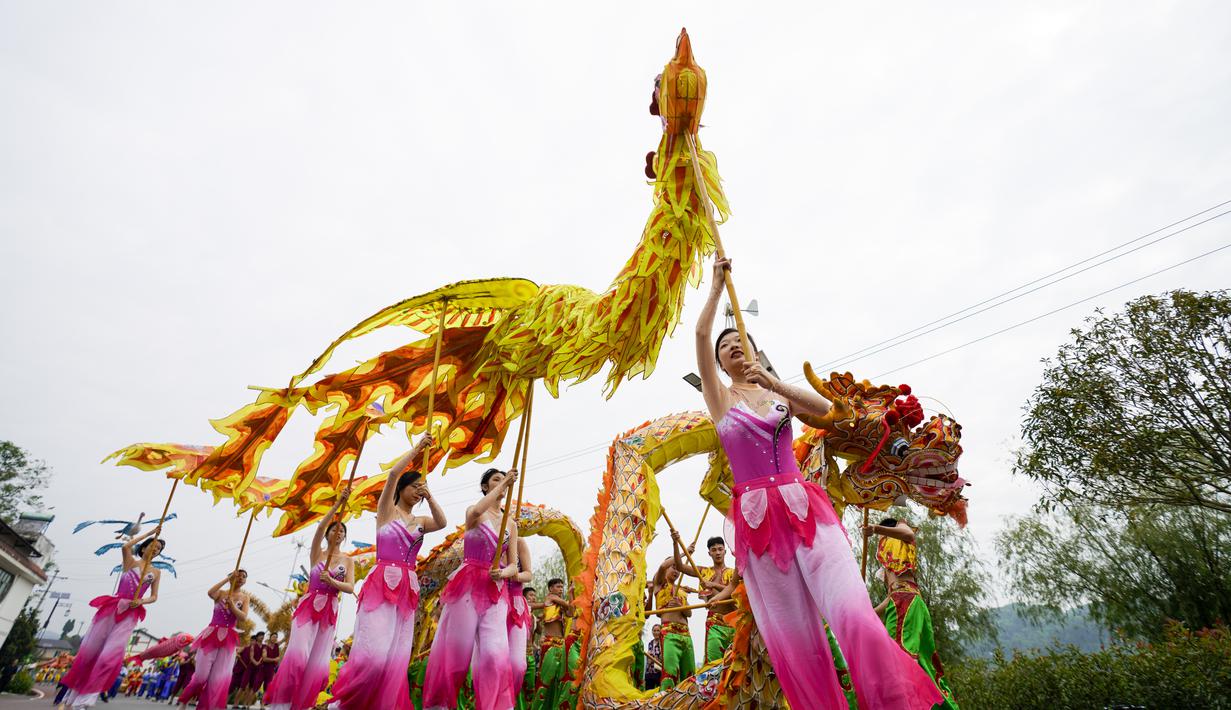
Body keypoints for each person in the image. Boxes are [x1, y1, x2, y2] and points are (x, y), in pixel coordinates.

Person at [695, 256, 943, 709]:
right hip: (759, 524)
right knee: (797, 643)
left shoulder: (775, 392)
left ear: (752, 351)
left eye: (740, 340)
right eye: (725, 344)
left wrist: (776, 383)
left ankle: (892, 701)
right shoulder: (720, 399)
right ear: (718, 361)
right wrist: (714, 288)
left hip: (805, 510)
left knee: (855, 615)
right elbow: (699, 336)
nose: (732, 345)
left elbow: (826, 413)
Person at [330, 435, 445, 710]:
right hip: (383, 583)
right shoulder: (387, 512)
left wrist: (430, 497)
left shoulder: (420, 522)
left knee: (396, 656)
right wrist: (417, 449)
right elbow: (393, 474)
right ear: (403, 488)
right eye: (415, 486)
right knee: (375, 652)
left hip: (408, 588)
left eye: (422, 487)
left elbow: (442, 522)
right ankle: (346, 703)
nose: (418, 491)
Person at [422, 467, 521, 710]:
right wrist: (505, 482)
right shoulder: (475, 512)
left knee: (494, 653)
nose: (502, 483)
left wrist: (503, 572)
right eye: (495, 480)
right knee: (457, 652)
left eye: (504, 479)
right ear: (486, 487)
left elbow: (514, 565)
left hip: (495, 590)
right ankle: (440, 705)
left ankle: (496, 706)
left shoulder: (511, 523)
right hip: (467, 586)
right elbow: (477, 509)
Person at [265, 488, 356, 710]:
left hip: (329, 612)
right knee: (298, 656)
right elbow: (320, 527)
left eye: (342, 530)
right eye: (334, 529)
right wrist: (337, 504)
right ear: (328, 534)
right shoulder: (317, 554)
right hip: (308, 609)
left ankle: (302, 704)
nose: (338, 532)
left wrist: (332, 581)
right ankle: (282, 703)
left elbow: (350, 587)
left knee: (317, 663)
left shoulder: (348, 560)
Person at [57, 527, 163, 709]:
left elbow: (154, 596)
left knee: (108, 658)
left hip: (130, 614)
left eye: (159, 549)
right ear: (144, 547)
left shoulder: (157, 572)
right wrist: (151, 533)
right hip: (111, 609)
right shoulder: (130, 562)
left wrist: (142, 600)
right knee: (91, 652)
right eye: (152, 545)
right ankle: (73, 694)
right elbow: (126, 546)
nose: (155, 549)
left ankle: (86, 699)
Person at [868, 518, 960, 710]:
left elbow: (909, 534)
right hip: (905, 601)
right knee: (920, 662)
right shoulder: (890, 563)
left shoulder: (900, 527)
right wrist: (867, 614)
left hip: (906, 603)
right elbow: (893, 596)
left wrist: (875, 528)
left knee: (898, 658)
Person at [177, 569, 250, 710]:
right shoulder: (221, 593)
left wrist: (233, 605)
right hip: (211, 634)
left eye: (243, 577)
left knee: (217, 679)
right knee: (201, 676)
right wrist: (227, 579)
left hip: (228, 638)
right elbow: (210, 593)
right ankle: (184, 700)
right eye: (238, 576)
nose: (240, 578)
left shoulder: (245, 597)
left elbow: (243, 617)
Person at [669, 533, 736, 662]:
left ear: (725, 551)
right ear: (709, 553)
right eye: (714, 550)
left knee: (734, 665)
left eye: (720, 549)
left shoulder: (733, 573)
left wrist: (713, 585)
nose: (717, 553)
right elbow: (680, 566)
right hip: (714, 624)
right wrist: (675, 543)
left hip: (732, 623)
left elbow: (734, 592)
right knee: (713, 664)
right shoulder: (704, 572)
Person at [531, 577, 577, 709]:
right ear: (551, 589)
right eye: (558, 587)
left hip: (561, 644)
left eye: (562, 587)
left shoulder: (560, 605)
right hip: (550, 644)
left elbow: (572, 612)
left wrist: (571, 593)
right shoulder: (550, 598)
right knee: (544, 681)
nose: (560, 589)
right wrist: (569, 596)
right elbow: (569, 606)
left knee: (558, 680)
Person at [649, 557, 694, 690]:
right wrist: (681, 555)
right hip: (669, 633)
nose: (676, 570)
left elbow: (689, 614)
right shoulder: (660, 584)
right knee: (670, 672)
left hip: (686, 634)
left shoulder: (681, 591)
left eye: (678, 568)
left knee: (689, 674)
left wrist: (681, 605)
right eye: (673, 567)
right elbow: (662, 567)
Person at [506, 539, 535, 710]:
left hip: (515, 605)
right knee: (491, 661)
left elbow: (529, 574)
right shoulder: (489, 540)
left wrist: (514, 575)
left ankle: (508, 702)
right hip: (492, 603)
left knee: (517, 664)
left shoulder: (519, 543)